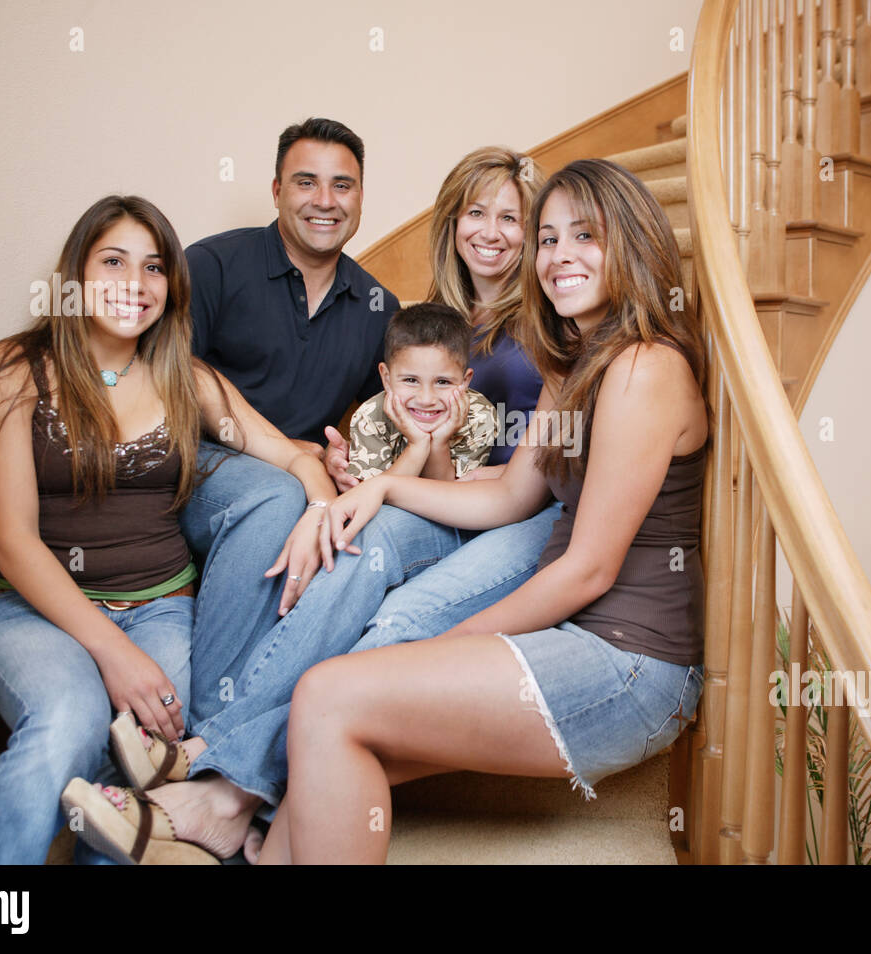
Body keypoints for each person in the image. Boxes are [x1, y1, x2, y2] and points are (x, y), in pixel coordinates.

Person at [61, 148, 569, 864]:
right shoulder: (434, 316)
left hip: (498, 509)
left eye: (513, 219)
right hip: (441, 496)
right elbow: (385, 429)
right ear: (451, 223)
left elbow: (518, 485)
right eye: (475, 213)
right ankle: (225, 776)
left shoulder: (551, 313)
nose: (492, 231)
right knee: (351, 542)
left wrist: (382, 487)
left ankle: (214, 763)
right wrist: (337, 467)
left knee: (375, 543)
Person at [263, 158, 709, 863]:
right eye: (550, 239)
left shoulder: (643, 368)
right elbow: (510, 495)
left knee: (326, 698)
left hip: (629, 664)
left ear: (629, 241)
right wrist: (381, 486)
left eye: (583, 236)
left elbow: (588, 571)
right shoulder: (582, 361)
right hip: (576, 641)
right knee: (324, 743)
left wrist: (452, 646)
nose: (559, 256)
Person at [0, 195, 336, 865]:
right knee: (72, 724)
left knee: (150, 757)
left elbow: (294, 455)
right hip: (38, 615)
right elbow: (11, 539)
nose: (136, 283)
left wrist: (321, 509)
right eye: (114, 261)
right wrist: (111, 653)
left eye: (154, 267)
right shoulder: (7, 373)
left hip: (163, 611)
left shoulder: (187, 379)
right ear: (76, 274)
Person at [178, 117, 400, 733]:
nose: (325, 201)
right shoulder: (213, 264)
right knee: (275, 496)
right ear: (276, 189)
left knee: (365, 534)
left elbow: (357, 429)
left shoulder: (381, 306)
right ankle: (206, 730)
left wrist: (336, 461)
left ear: (360, 196)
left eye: (343, 186)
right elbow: (178, 376)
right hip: (201, 470)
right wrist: (297, 464)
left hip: (304, 483)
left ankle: (276, 736)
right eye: (307, 182)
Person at [346, 303, 498, 482]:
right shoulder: (370, 417)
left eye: (442, 382)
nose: (426, 399)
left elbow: (449, 499)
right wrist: (417, 445)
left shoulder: (480, 417)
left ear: (465, 382)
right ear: (386, 379)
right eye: (411, 380)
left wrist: (439, 443)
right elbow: (370, 496)